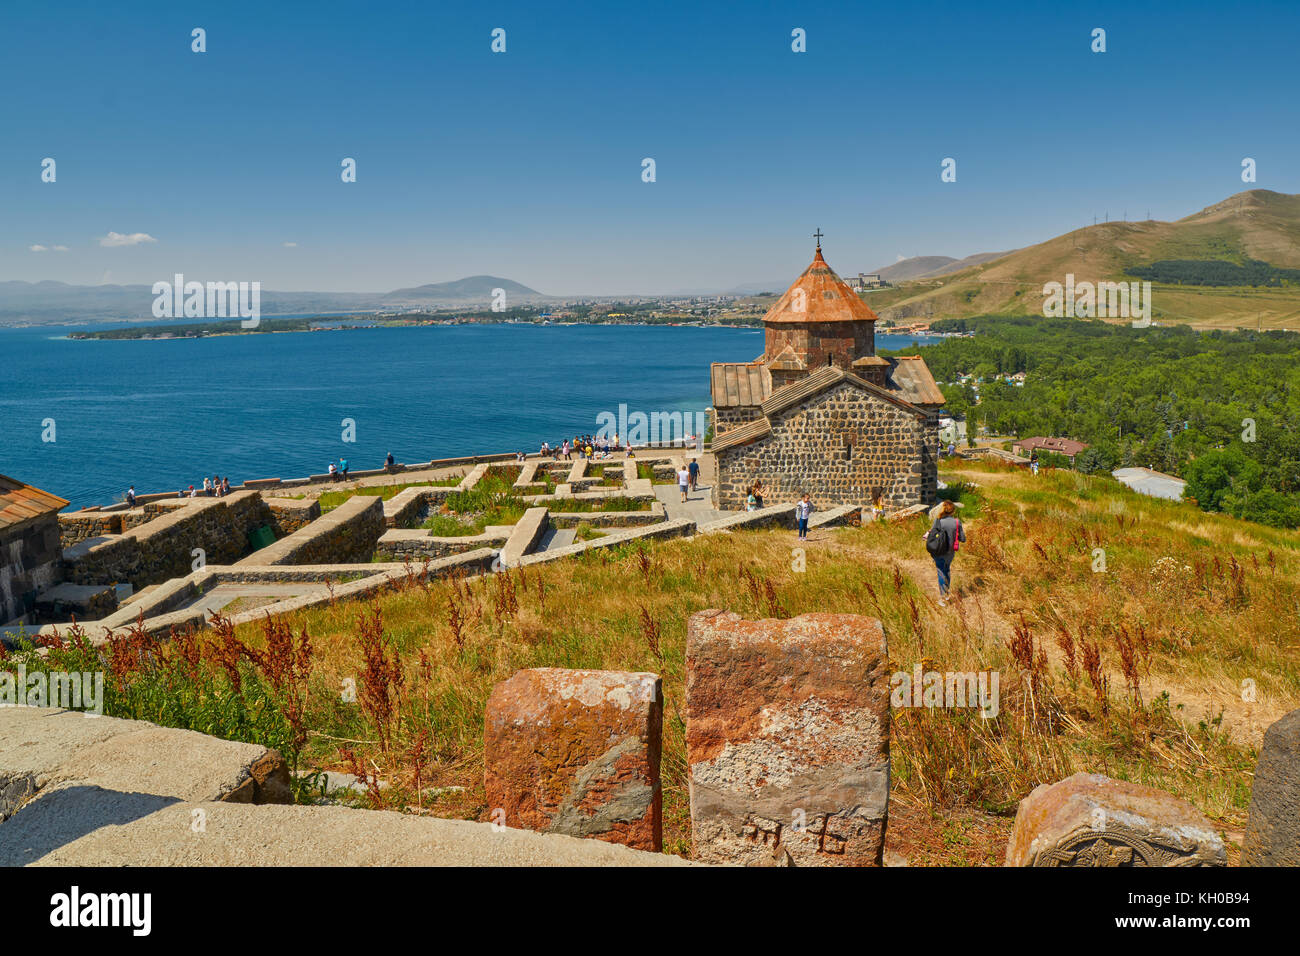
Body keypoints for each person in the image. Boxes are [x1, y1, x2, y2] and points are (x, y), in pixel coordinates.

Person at [924, 500, 966, 606]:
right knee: (946, 570)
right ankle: (946, 594)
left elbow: (932, 535)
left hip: (938, 551)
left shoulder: (938, 521)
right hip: (950, 553)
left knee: (941, 572)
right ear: (953, 511)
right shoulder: (957, 522)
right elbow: (963, 538)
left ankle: (943, 598)